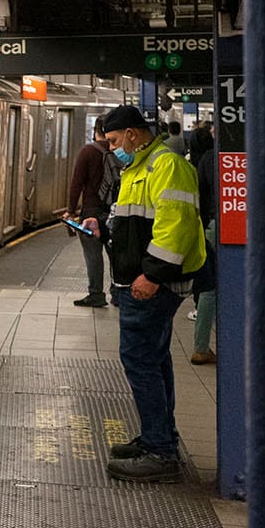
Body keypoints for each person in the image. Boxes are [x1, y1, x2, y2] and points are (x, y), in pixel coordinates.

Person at [81, 105, 207, 483]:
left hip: (155, 284)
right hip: (141, 281)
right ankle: (160, 437)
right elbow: (133, 222)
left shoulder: (166, 166)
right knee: (154, 359)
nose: (112, 148)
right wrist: (102, 225)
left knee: (138, 360)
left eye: (114, 141)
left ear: (132, 134)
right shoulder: (137, 168)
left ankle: (160, 452)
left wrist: (152, 275)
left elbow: (175, 228)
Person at [64, 118, 112, 307]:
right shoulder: (119, 152)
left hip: (91, 212)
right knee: (115, 254)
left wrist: (70, 211)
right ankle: (117, 292)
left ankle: (96, 294)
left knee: (93, 256)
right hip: (114, 212)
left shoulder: (88, 151)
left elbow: (76, 183)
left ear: (95, 131)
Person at [190, 144, 218, 364]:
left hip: (214, 224)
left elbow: (199, 194)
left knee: (210, 286)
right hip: (242, 221)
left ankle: (200, 346)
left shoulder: (208, 157)